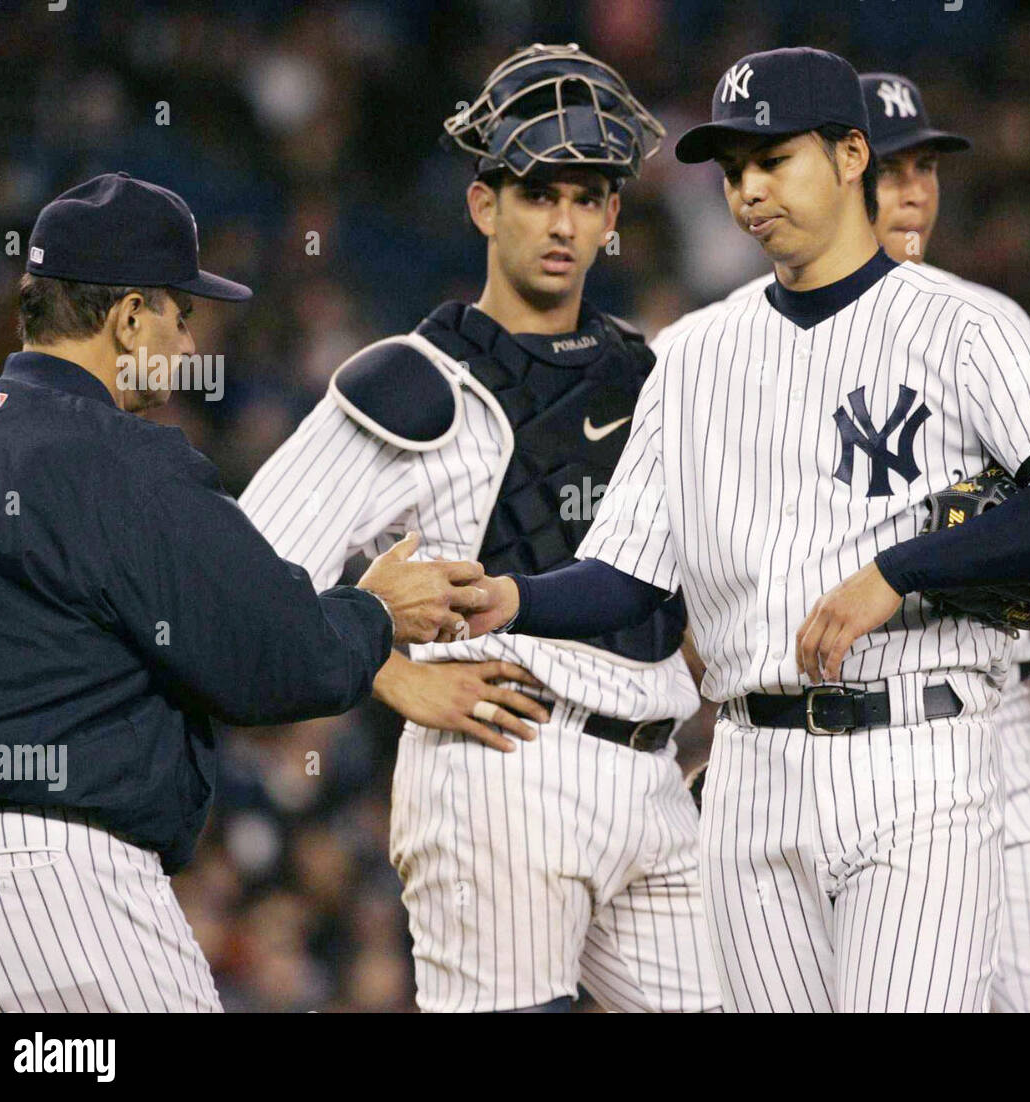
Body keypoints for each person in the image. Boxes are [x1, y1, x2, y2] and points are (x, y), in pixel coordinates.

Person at [467, 47, 1030, 1013]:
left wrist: (898, 572)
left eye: (774, 159)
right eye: (734, 169)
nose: (749, 190)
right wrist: (508, 598)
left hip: (918, 751)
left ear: (852, 153)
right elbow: (629, 577)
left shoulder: (961, 325)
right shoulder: (693, 352)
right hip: (747, 773)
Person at [654, 70, 1030, 1012]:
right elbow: (690, 564)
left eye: (930, 168)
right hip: (815, 767)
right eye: (895, 165)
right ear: (845, 167)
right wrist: (749, 723)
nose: (915, 189)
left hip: (990, 734)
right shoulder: (739, 349)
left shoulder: (971, 325)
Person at [240, 44, 720, 1013]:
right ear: (482, 204)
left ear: (614, 216)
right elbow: (246, 571)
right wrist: (389, 669)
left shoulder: (658, 374)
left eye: (588, 198)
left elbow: (699, 582)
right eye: (539, 191)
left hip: (657, 775)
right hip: (503, 768)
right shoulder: (414, 378)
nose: (563, 221)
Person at [0, 172, 491, 1012]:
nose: (187, 339)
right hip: (66, 887)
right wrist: (376, 610)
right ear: (129, 317)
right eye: (182, 313)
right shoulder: (123, 458)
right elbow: (271, 660)